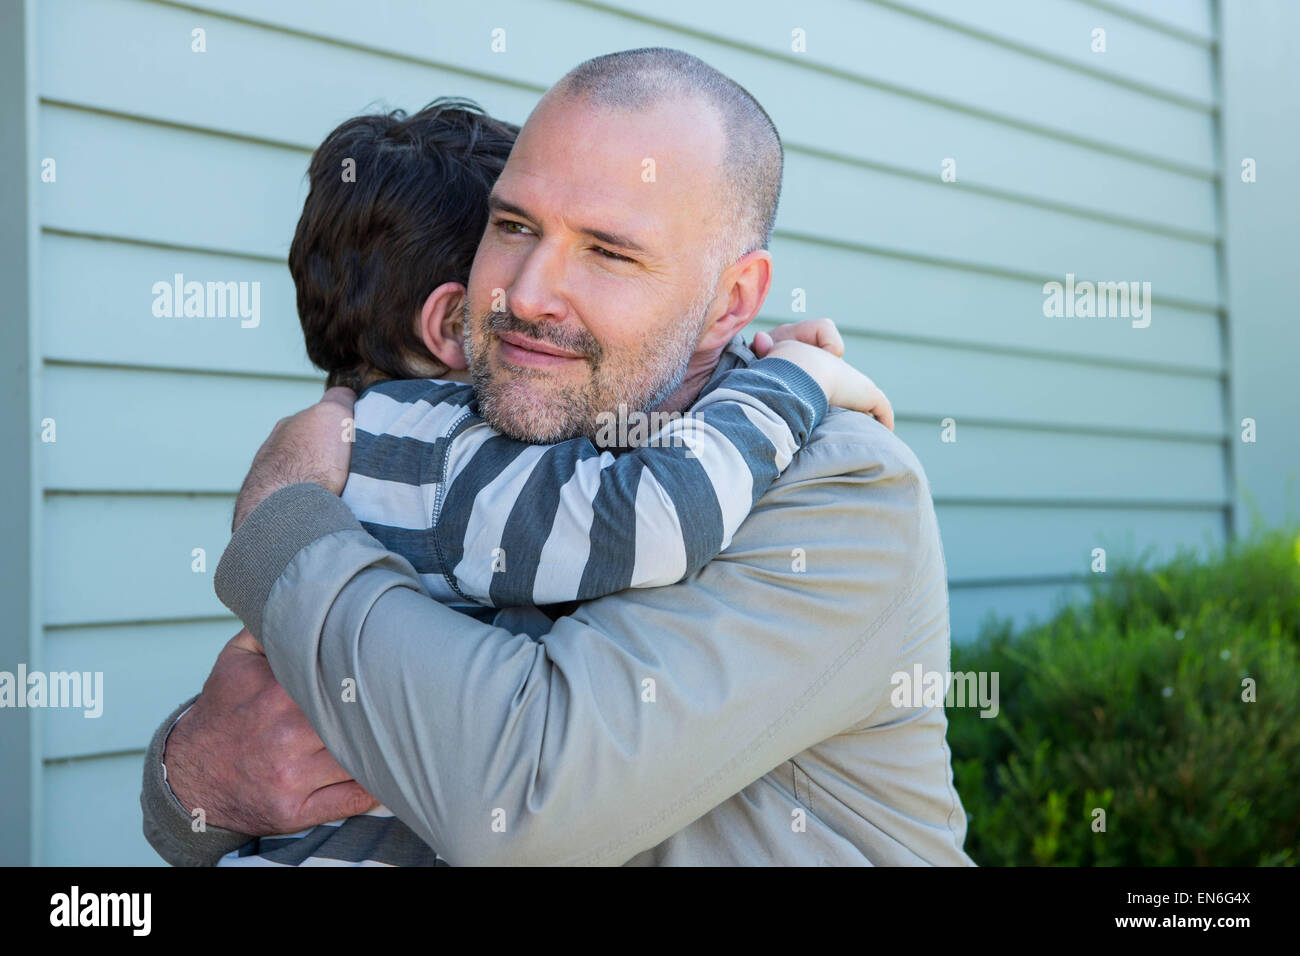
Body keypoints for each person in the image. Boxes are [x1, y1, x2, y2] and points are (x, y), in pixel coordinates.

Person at [142, 47, 973, 866]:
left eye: (607, 251)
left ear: (730, 302)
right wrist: (192, 778)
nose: (526, 295)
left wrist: (281, 518)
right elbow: (288, 705)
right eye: (513, 226)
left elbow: (515, 799)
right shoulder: (489, 425)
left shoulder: (843, 488)